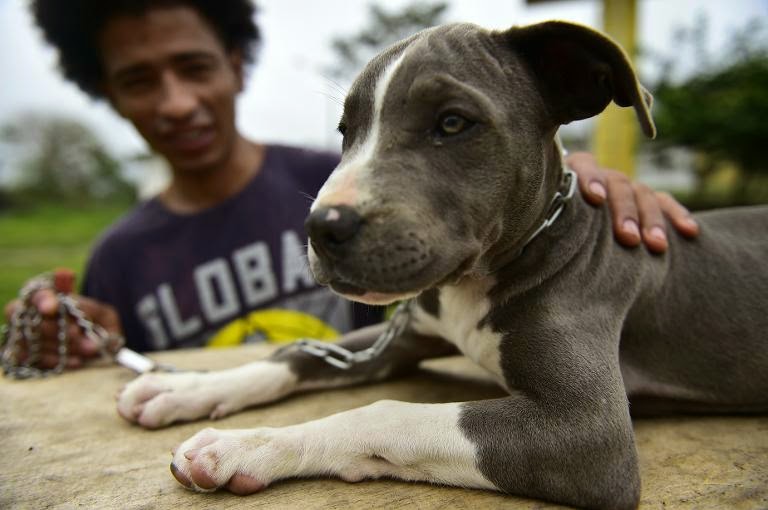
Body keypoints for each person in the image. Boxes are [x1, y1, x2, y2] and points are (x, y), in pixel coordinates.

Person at [3, 0, 698, 371]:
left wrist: (571, 178)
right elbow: (123, 370)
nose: (177, 101)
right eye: (138, 80)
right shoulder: (121, 256)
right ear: (109, 97)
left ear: (237, 65)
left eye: (194, 66)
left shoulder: (329, 179)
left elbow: (483, 180)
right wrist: (72, 345)